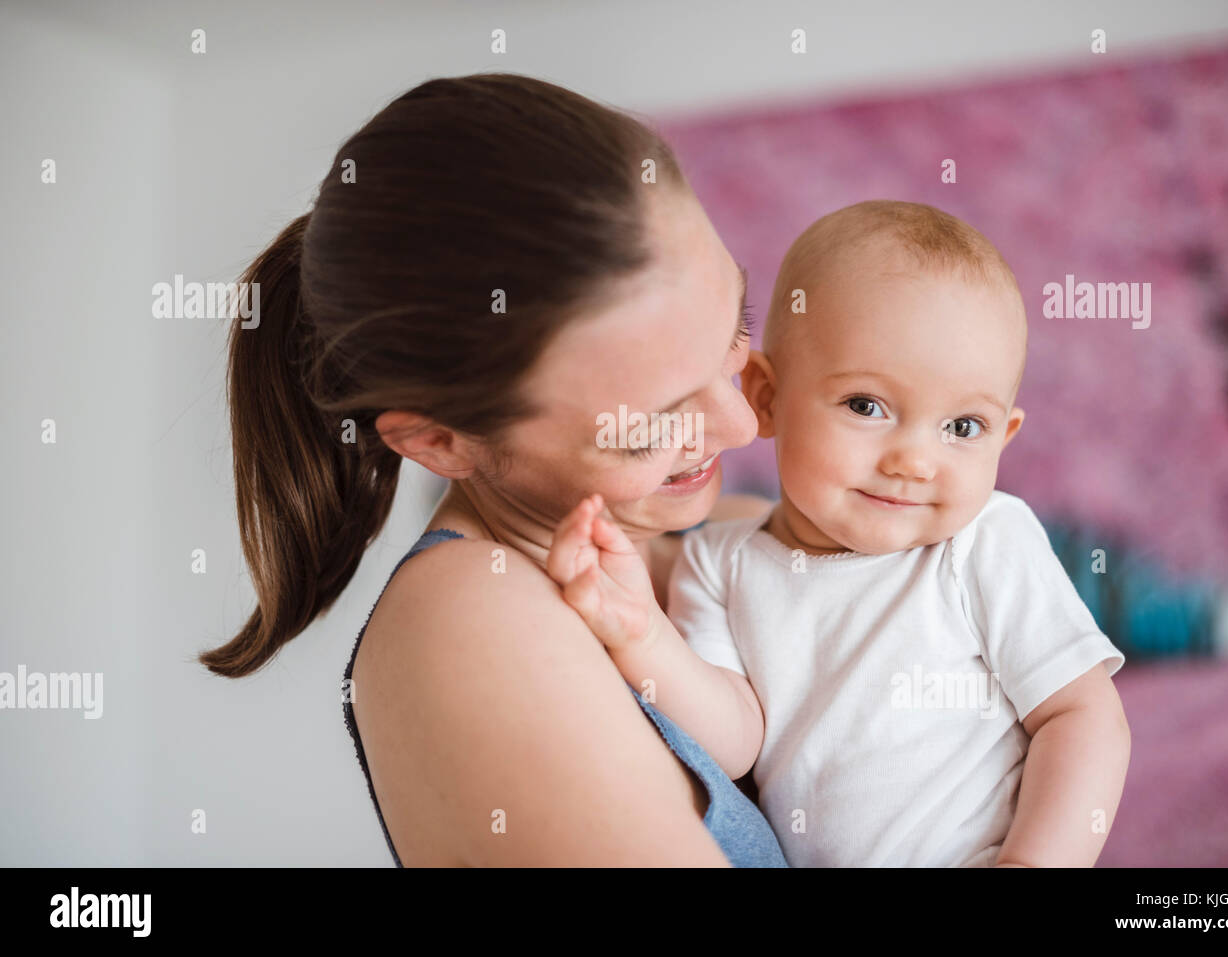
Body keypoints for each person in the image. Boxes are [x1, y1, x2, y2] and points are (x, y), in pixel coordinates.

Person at [199, 73, 788, 867]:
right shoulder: (471, 617)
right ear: (441, 442)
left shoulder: (724, 538)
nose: (744, 424)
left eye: (735, 331)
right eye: (654, 420)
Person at [545, 200, 1131, 867]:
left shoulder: (985, 541)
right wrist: (641, 633)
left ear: (1004, 436)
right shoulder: (719, 563)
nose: (914, 460)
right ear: (766, 397)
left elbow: (1081, 716)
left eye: (962, 427)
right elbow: (735, 738)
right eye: (866, 405)